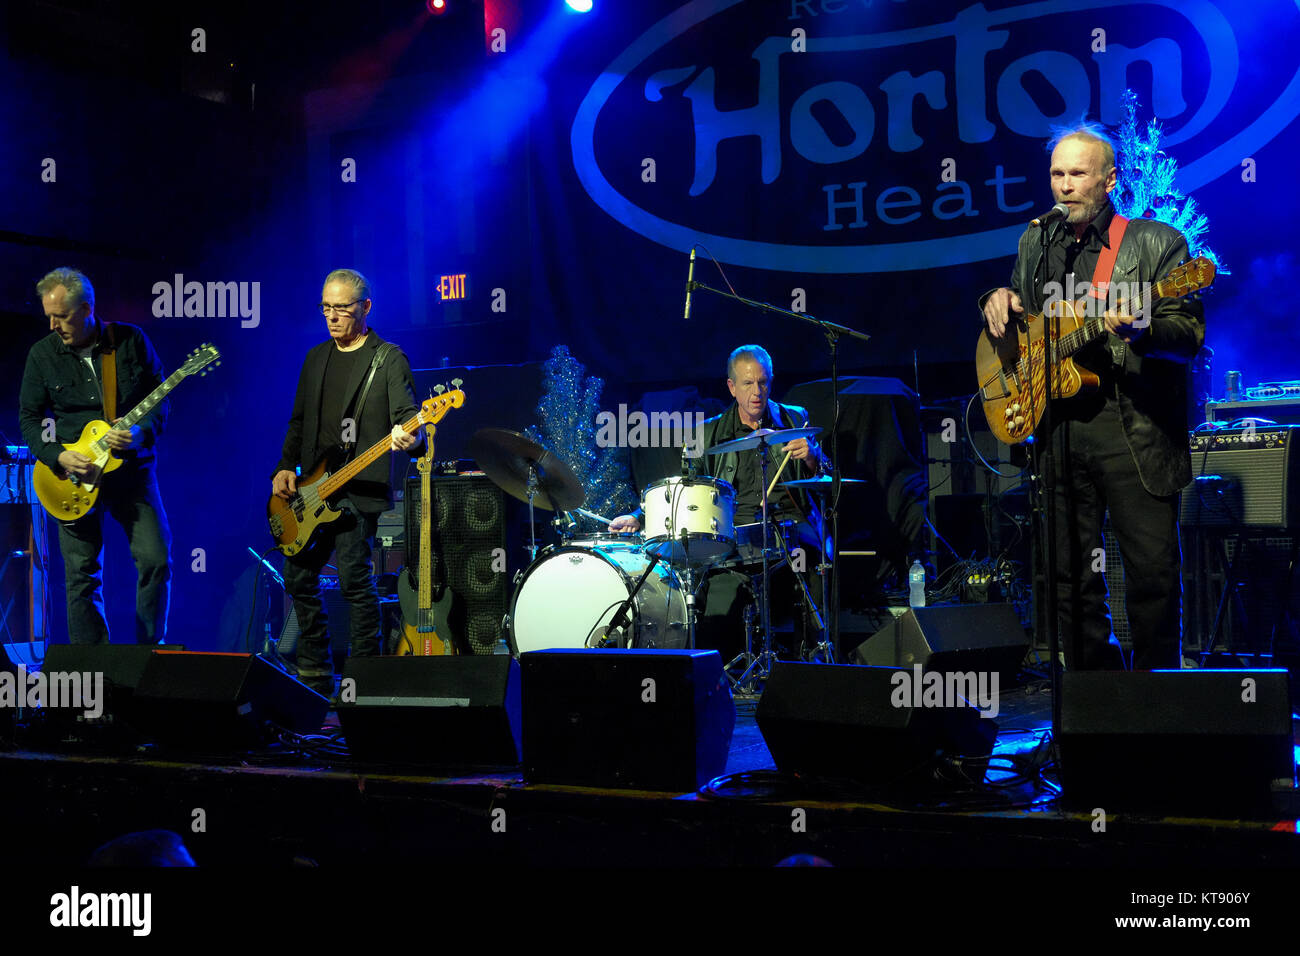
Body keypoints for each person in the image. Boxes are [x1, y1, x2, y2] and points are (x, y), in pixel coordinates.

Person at [980, 125, 1205, 670]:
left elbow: (1189, 336)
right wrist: (998, 298)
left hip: (1133, 428)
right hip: (1059, 431)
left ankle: (1157, 705)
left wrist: (1142, 329)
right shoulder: (1037, 240)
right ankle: (1094, 705)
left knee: (1151, 574)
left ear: (1109, 179)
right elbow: (1026, 327)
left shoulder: (1155, 242)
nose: (1065, 186)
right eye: (1057, 174)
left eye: (1078, 174)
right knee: (1068, 578)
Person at [610, 345, 830, 656]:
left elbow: (826, 478)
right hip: (733, 535)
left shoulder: (795, 419)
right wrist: (639, 516)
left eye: (763, 382)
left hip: (789, 526)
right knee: (713, 598)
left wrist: (813, 457)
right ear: (731, 387)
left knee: (814, 562)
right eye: (748, 383)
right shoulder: (708, 433)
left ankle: (809, 663)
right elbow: (684, 490)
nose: (757, 392)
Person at [271, 269, 420, 696]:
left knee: (356, 582)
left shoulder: (388, 359)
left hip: (359, 492)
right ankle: (314, 672)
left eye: (342, 308)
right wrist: (284, 467)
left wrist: (413, 437)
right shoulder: (315, 358)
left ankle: (363, 678)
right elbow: (298, 423)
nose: (332, 317)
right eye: (326, 308)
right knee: (298, 577)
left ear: (365, 307)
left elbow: (410, 422)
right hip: (312, 492)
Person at [19, 268, 172, 644]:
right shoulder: (42, 355)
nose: (53, 325)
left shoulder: (131, 340)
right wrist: (57, 456)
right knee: (81, 577)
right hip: (73, 477)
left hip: (131, 472)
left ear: (87, 309)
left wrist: (139, 432)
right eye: (49, 316)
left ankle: (150, 659)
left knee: (156, 560)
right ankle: (95, 675)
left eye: (62, 316)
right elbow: (29, 418)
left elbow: (161, 398)